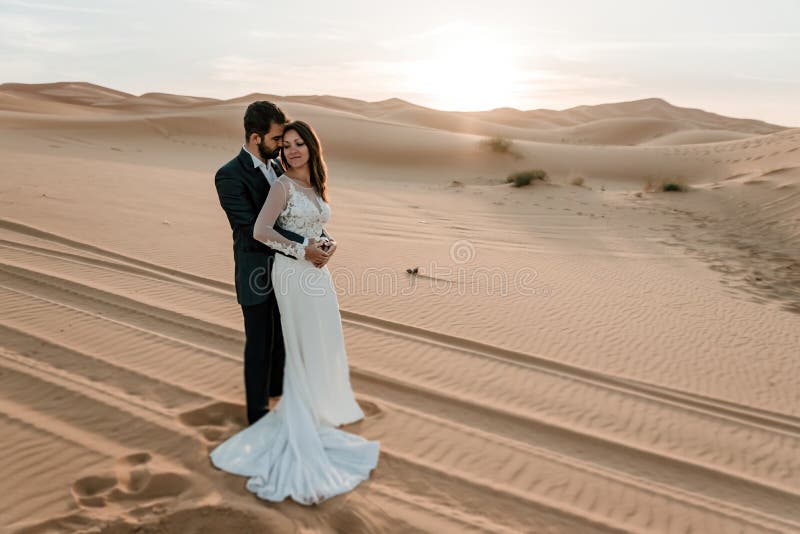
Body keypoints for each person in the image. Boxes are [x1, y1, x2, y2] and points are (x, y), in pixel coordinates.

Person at [210, 119, 380, 505]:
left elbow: (315, 224)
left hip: (318, 276)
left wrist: (325, 245)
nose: (291, 150)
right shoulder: (282, 185)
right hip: (291, 273)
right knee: (297, 343)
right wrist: (304, 249)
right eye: (284, 144)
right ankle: (293, 414)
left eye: (298, 143)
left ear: (312, 147)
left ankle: (316, 406)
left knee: (321, 340)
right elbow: (260, 230)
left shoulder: (313, 184)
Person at [214, 101, 330, 425]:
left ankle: (279, 397)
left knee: (282, 342)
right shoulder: (229, 176)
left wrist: (320, 238)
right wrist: (303, 247)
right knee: (260, 346)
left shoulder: (279, 169)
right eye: (277, 138)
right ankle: (257, 415)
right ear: (255, 138)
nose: (283, 146)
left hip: (290, 274)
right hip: (257, 275)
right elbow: (252, 231)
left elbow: (296, 213)